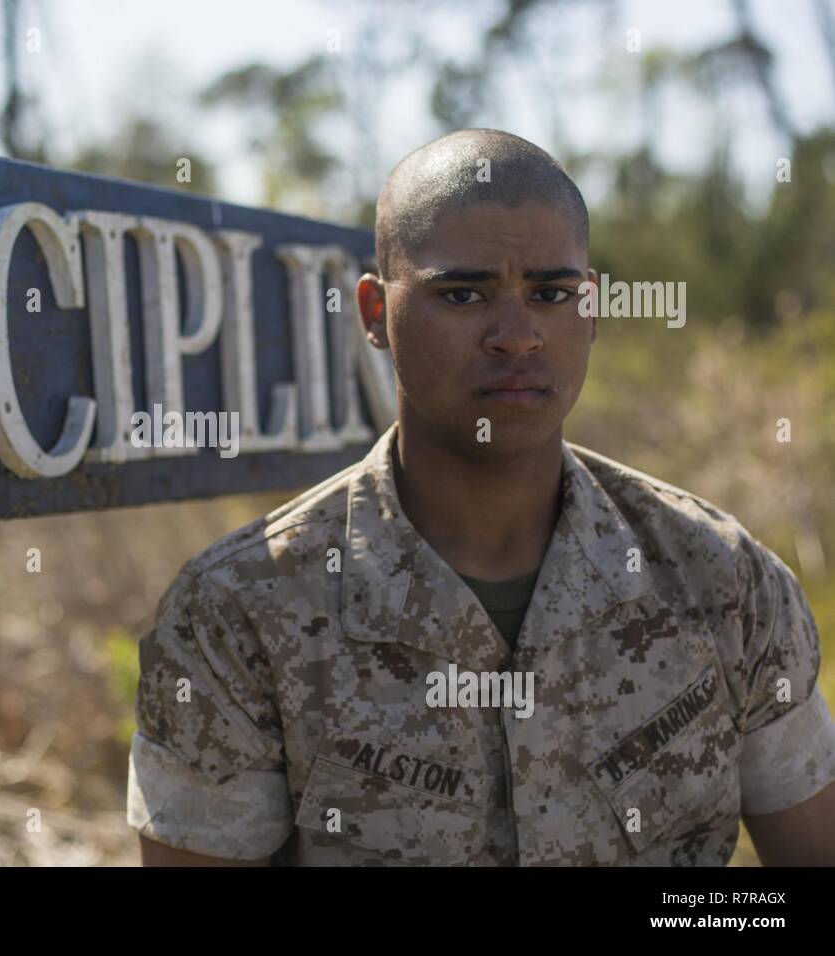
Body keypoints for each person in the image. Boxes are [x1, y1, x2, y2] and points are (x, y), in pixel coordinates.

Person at [125, 128, 835, 866]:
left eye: (551, 293)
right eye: (462, 294)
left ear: (589, 308)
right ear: (375, 312)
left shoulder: (719, 579)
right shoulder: (240, 613)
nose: (517, 336)